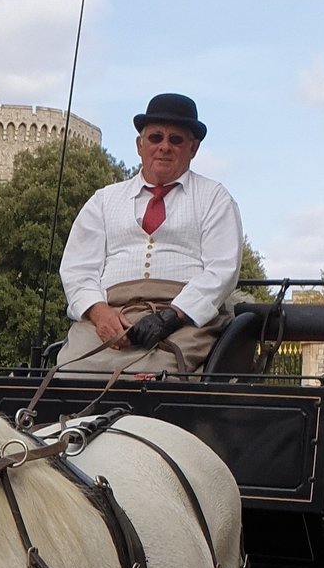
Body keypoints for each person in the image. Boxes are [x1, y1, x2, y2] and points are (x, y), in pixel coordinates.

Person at [57, 93, 243, 374]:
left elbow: (221, 271)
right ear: (139, 145)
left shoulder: (215, 199)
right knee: (70, 373)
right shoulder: (103, 201)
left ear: (192, 148)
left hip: (185, 322)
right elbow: (77, 269)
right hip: (111, 316)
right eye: (156, 138)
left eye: (176, 140)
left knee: (157, 380)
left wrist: (172, 315)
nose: (164, 147)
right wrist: (100, 313)